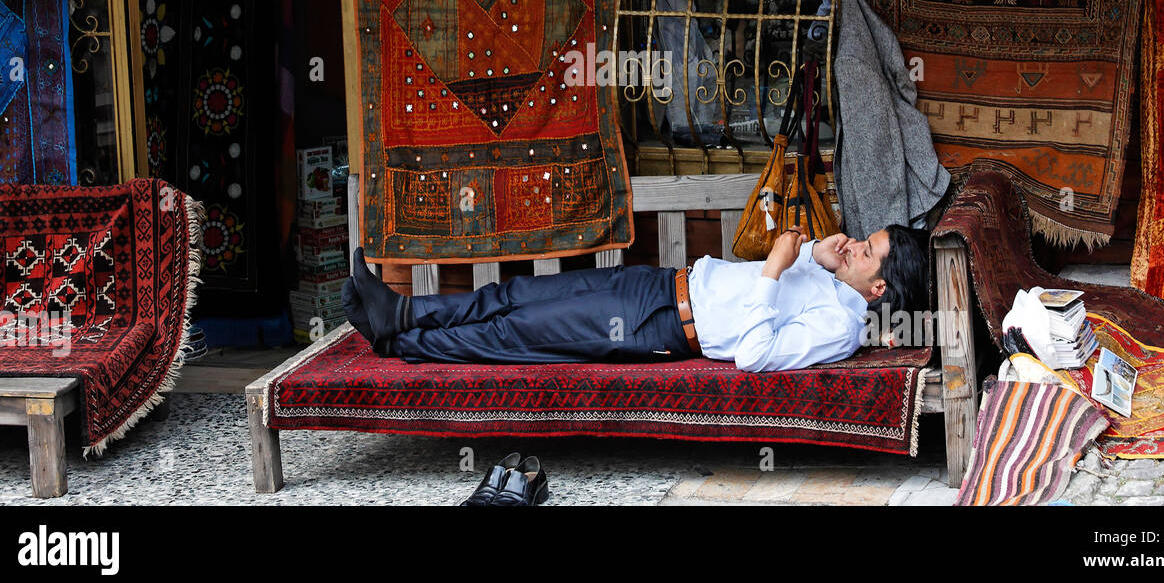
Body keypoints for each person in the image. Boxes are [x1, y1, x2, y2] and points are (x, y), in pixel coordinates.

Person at [342, 224, 930, 372]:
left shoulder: (838, 328)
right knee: (518, 293)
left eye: (864, 252)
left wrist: (777, 269)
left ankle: (405, 341)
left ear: (878, 289)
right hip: (662, 283)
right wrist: (814, 258)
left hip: (660, 327)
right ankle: (400, 311)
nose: (854, 244)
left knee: (520, 331)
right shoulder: (832, 278)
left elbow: (755, 353)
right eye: (863, 239)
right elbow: (780, 282)